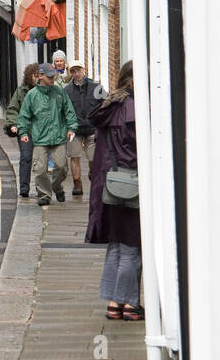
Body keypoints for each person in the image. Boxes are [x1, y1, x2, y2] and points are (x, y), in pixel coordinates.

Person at [86, 61, 142, 321]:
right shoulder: (135, 109)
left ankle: (113, 303)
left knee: (116, 246)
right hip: (130, 186)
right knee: (132, 247)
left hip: (106, 186)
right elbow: (133, 152)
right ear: (133, 80)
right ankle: (129, 305)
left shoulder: (108, 107)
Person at [18, 62, 78, 206]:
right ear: (40, 76)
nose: (52, 79)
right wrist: (23, 132)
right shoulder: (32, 95)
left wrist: (71, 128)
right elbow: (24, 115)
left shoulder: (59, 92)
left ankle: (56, 187)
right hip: (39, 138)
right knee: (39, 169)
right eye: (49, 76)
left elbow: (69, 111)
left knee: (62, 167)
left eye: (53, 76)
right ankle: (44, 195)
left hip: (58, 136)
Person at [64, 58, 105, 197]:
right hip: (74, 129)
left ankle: (93, 173)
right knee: (74, 156)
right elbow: (63, 109)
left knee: (93, 158)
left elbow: (105, 104)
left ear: (84, 70)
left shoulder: (96, 87)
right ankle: (77, 183)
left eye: (78, 70)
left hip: (92, 128)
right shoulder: (67, 90)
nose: (76, 73)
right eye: (73, 71)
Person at [5, 62, 41, 198]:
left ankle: (41, 188)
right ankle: (24, 188)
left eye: (39, 75)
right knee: (26, 157)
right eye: (34, 75)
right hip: (25, 130)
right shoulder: (21, 91)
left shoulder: (45, 91)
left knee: (40, 160)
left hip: (40, 132)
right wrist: (13, 124)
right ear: (29, 76)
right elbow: (13, 109)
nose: (37, 78)